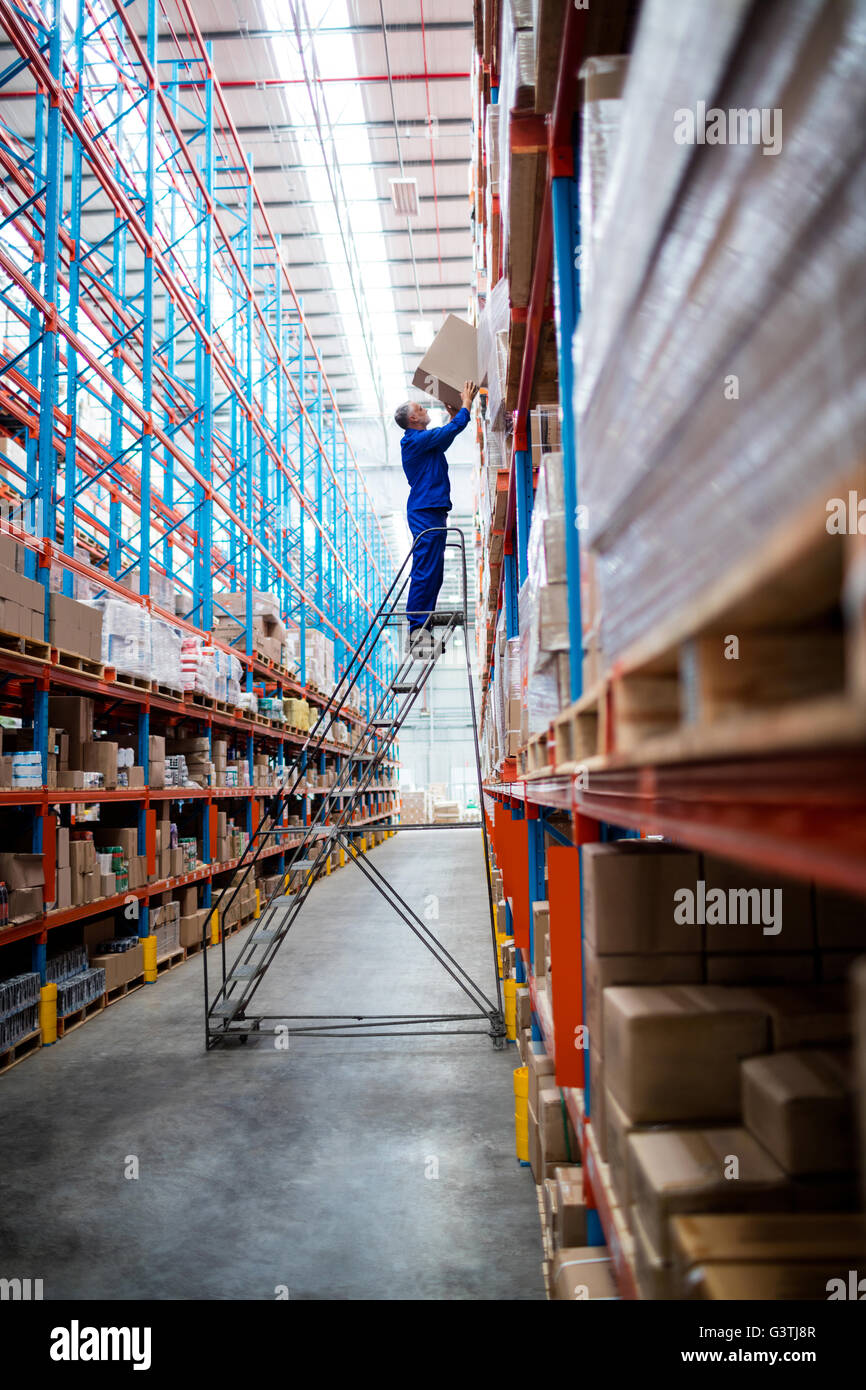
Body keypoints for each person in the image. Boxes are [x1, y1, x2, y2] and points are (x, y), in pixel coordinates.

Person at [394, 379, 477, 657]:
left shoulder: (424, 443)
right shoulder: (415, 441)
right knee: (425, 570)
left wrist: (455, 414)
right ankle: (417, 631)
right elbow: (451, 430)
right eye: (420, 407)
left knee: (435, 573)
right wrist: (465, 405)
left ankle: (423, 628)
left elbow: (447, 434)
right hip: (425, 510)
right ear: (413, 418)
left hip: (433, 509)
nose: (425, 408)